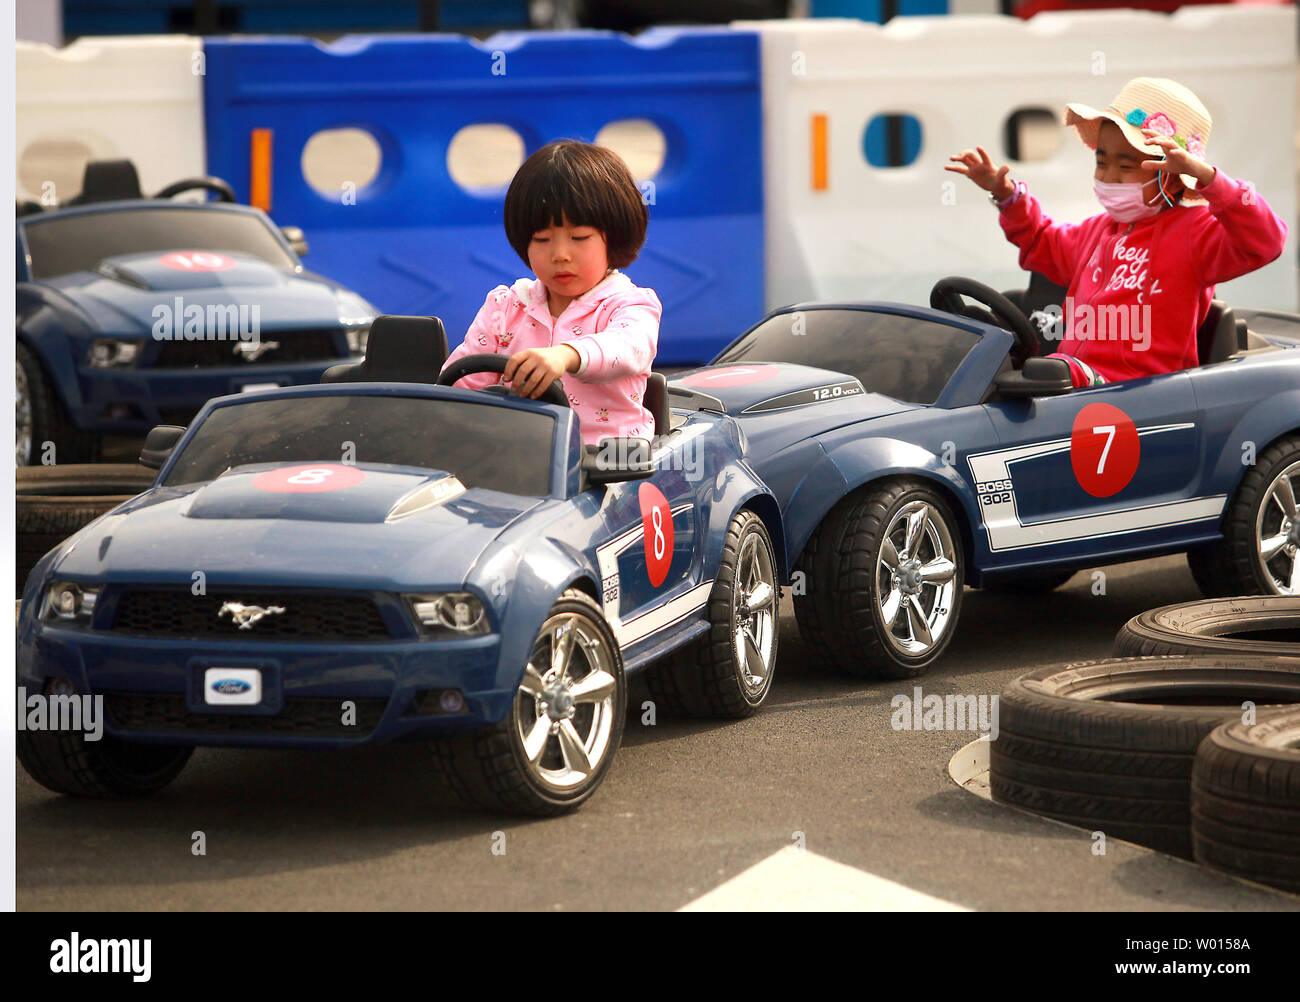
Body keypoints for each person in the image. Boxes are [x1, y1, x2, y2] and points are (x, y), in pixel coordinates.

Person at [947, 77, 1287, 387]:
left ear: (1171, 175)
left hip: (1148, 393)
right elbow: (1040, 243)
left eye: (1125, 166)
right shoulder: (1096, 231)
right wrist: (1007, 195)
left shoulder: (1195, 234)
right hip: (1075, 382)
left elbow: (1266, 241)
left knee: (1047, 374)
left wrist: (1210, 179)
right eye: (1101, 161)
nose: (1108, 177)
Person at [441, 140, 660, 444]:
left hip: (608, 465)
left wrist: (565, 355)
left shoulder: (630, 306)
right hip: (516, 460)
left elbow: (627, 348)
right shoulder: (506, 307)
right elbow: (461, 384)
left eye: (579, 237)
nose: (560, 254)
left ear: (615, 237)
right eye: (542, 239)